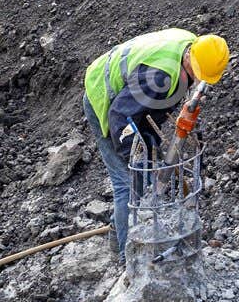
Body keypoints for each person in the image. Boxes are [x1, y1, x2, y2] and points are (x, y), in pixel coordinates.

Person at [82, 28, 229, 256]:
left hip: (130, 99)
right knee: (128, 182)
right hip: (104, 95)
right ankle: (125, 257)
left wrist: (148, 148)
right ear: (190, 56)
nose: (198, 79)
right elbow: (119, 116)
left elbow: (150, 107)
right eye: (197, 73)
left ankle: (117, 231)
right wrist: (134, 158)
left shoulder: (193, 48)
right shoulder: (158, 77)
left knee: (140, 176)